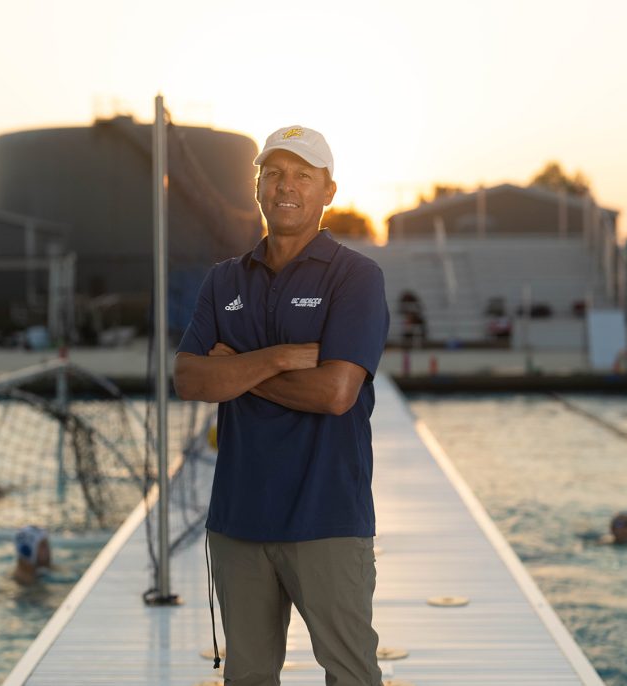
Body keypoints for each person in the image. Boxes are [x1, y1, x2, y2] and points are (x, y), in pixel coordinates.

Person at [174, 125, 389, 685]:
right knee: (246, 677)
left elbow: (335, 393)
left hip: (327, 519)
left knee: (351, 675)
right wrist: (276, 360)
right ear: (258, 188)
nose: (285, 186)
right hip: (238, 521)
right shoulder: (224, 280)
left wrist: (238, 368)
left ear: (329, 191)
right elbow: (190, 378)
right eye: (274, 174)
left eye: (302, 175)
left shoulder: (356, 277)